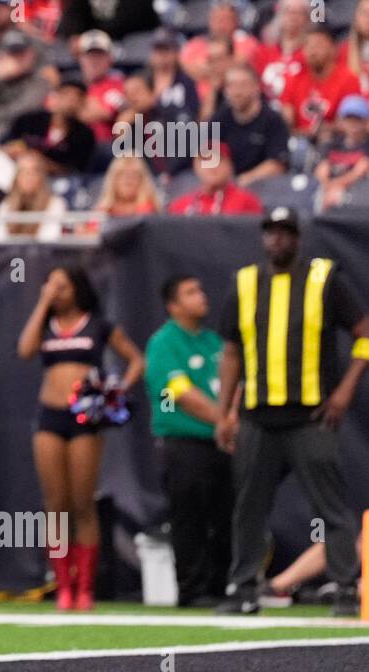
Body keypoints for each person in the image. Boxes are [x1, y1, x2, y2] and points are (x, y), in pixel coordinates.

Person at [214, 207, 369, 616]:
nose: (277, 240)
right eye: (271, 233)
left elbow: (364, 335)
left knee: (331, 505)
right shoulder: (245, 283)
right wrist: (223, 412)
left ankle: (346, 588)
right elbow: (230, 352)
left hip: (310, 415)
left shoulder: (323, 280)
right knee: (248, 506)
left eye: (285, 233)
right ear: (263, 237)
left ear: (298, 238)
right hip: (257, 415)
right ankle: (244, 588)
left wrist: (343, 392)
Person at [17, 266, 144, 610]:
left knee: (82, 502)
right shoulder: (47, 326)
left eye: (62, 285)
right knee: (55, 505)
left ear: (77, 288)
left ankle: (86, 587)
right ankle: (63, 585)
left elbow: (136, 360)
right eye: (50, 284)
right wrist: (42, 304)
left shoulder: (98, 324)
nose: (55, 290)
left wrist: (115, 390)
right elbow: (24, 350)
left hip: (85, 418)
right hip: (49, 415)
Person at [145, 276, 231, 607]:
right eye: (191, 292)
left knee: (227, 517)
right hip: (183, 444)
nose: (201, 296)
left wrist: (231, 417)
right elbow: (180, 394)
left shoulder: (214, 342)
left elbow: (233, 382)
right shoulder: (164, 342)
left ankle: (225, 587)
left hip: (222, 444)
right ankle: (193, 591)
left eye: (201, 289)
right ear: (173, 306)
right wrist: (224, 420)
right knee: (190, 518)